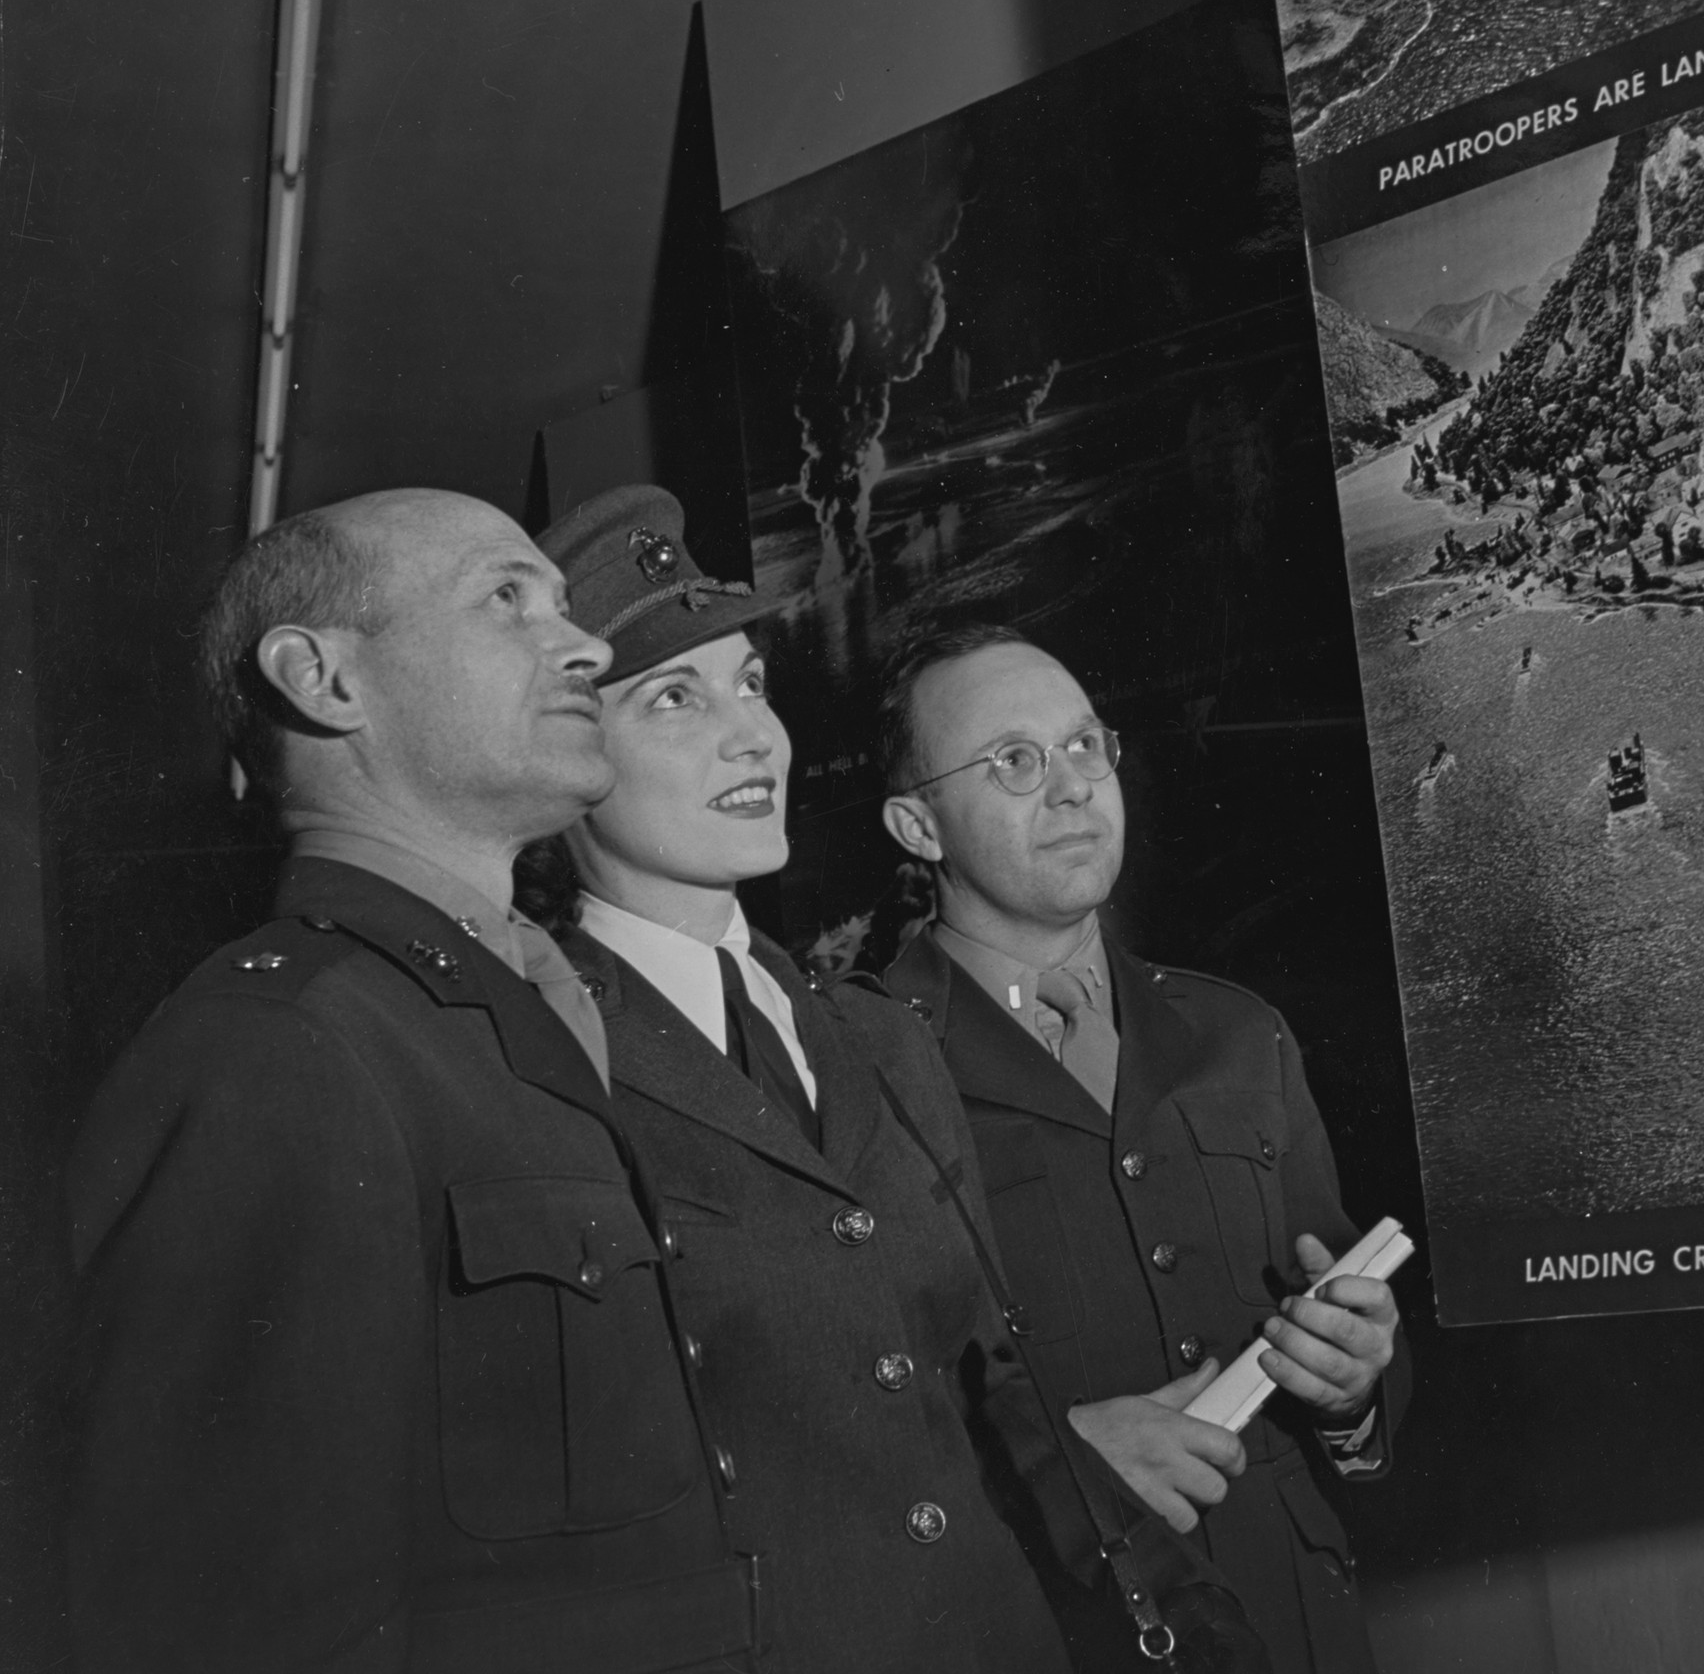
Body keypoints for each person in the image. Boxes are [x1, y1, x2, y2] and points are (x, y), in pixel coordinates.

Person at [519, 485, 1262, 1674]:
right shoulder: (541, 1059)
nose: (753, 735)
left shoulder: (874, 1036)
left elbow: (993, 1394)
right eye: (675, 697)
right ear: (564, 748)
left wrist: (1202, 1624)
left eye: (751, 683)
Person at [66, 491, 759, 1673]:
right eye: (507, 598)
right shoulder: (278, 1049)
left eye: (562, 604)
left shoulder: (517, 1004)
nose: (587, 646)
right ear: (324, 679)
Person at [877, 623, 1411, 1674]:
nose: (1073, 786)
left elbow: (1351, 1358)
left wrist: (1352, 1385)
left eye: (1085, 745)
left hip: (1295, 1627)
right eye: (1014, 760)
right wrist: (1064, 1460)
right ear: (917, 824)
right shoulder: (864, 1066)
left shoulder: (1239, 1033)